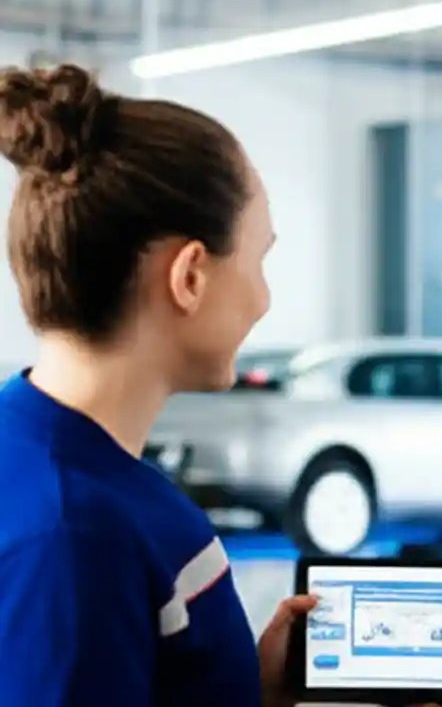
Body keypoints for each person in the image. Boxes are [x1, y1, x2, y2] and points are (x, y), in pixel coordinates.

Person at [0, 64, 312, 706]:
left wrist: (241, 691)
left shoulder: (58, 470)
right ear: (190, 276)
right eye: (258, 260)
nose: (264, 298)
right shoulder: (76, 533)